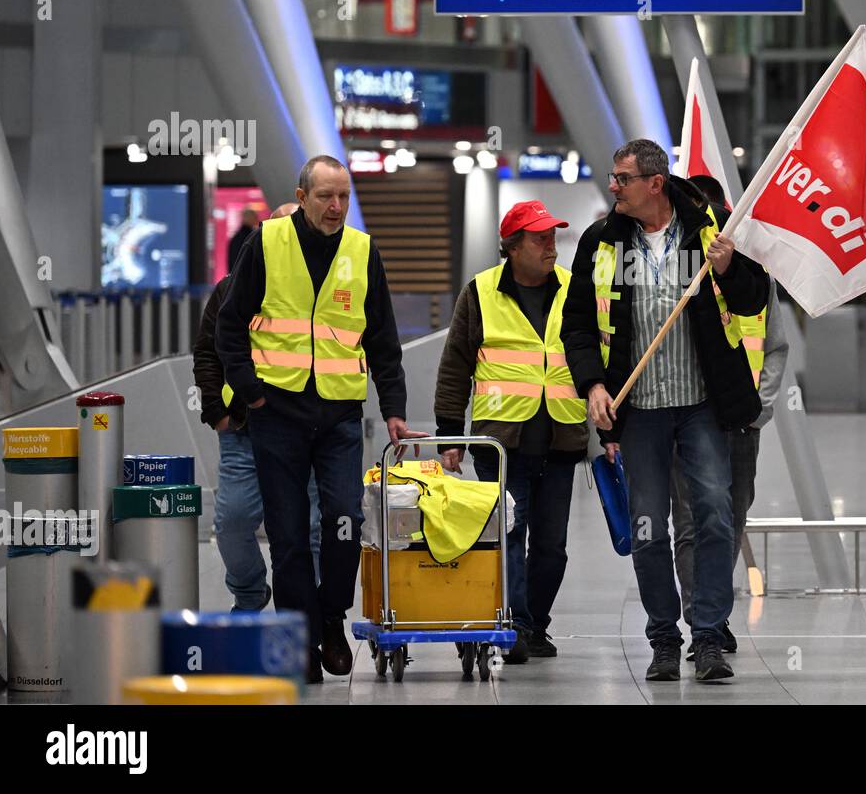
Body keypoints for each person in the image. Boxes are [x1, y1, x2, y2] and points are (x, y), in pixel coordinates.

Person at [562, 139, 769, 683]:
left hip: (702, 407)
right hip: (641, 412)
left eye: (622, 178)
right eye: (613, 178)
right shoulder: (600, 242)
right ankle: (663, 639)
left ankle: (708, 638)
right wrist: (592, 386)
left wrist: (726, 270)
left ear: (655, 184)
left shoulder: (712, 232)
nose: (613, 187)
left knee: (716, 516)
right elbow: (578, 325)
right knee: (649, 527)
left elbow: (754, 300)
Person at [217, 155, 422, 684]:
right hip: (276, 414)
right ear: (301, 195)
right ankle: (300, 640)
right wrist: (249, 392)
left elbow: (381, 339)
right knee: (286, 539)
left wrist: (394, 408)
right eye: (326, 196)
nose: (336, 207)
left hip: (337, 417)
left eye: (344, 197)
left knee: (343, 523)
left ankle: (332, 617)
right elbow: (229, 325)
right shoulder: (265, 243)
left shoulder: (361, 250)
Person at [434, 200, 589, 663]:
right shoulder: (480, 292)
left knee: (551, 545)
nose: (551, 246)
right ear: (512, 247)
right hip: (500, 443)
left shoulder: (575, 289)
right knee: (508, 534)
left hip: (562, 438)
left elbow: (597, 355)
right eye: (540, 238)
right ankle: (516, 625)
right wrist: (449, 433)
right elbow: (456, 365)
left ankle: (533, 623)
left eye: (553, 237)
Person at [668, 174, 789, 660]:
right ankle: (705, 623)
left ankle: (710, 616)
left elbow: (776, 346)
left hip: (740, 421)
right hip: (686, 415)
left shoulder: (753, 273)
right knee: (692, 524)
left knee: (730, 521)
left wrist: (761, 410)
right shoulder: (675, 269)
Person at [195, 203, 322, 612]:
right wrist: (217, 412)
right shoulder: (230, 288)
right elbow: (207, 353)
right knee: (231, 523)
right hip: (245, 431)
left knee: (313, 528)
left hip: (308, 430)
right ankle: (250, 593)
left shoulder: (317, 294)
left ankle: (306, 612)